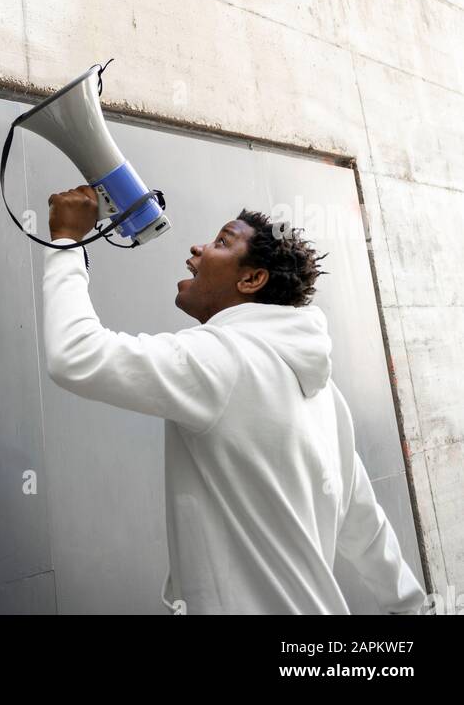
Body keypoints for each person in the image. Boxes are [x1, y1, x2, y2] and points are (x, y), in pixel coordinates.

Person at [43, 185, 427, 616]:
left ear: (251, 279)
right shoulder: (324, 394)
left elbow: (74, 355)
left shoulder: (222, 358)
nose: (198, 247)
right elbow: (366, 527)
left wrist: (66, 241)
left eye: (222, 241)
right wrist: (414, 609)